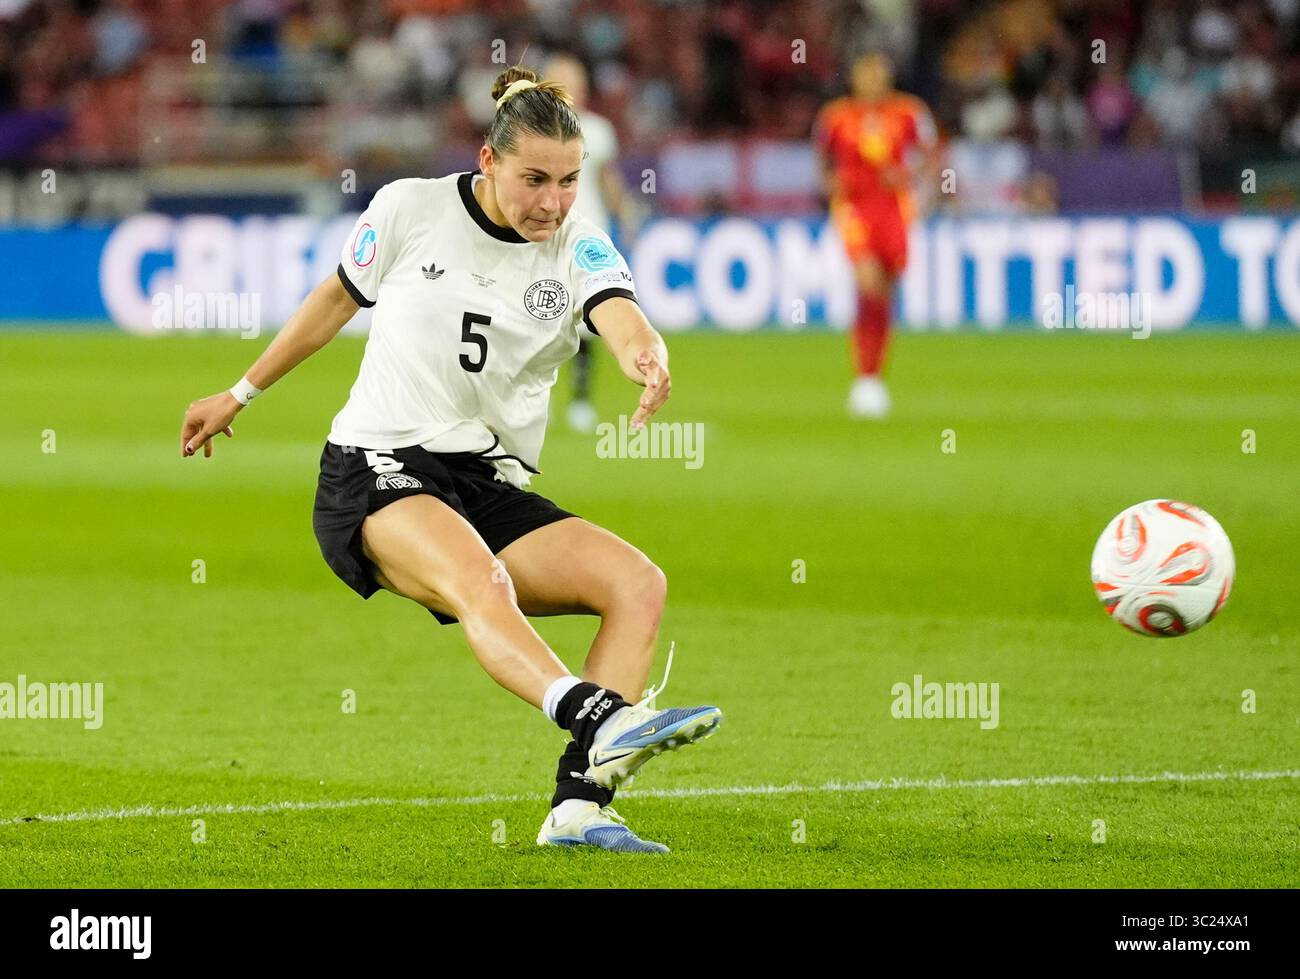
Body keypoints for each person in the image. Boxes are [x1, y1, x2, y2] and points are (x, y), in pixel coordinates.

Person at [179, 65, 723, 854]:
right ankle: (601, 717)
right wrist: (240, 391)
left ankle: (579, 808)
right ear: (488, 160)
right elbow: (335, 299)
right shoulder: (410, 208)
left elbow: (621, 313)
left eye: (569, 181)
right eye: (534, 179)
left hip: (485, 479)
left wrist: (647, 356)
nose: (553, 201)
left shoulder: (579, 244)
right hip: (375, 466)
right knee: (481, 582)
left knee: (637, 584)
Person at [813, 51, 939, 418]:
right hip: (855, 207)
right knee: (867, 282)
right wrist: (831, 186)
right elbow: (821, 159)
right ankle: (864, 378)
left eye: (877, 73)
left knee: (884, 291)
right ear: (854, 78)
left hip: (894, 208)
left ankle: (873, 376)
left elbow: (931, 156)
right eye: (864, 73)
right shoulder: (835, 116)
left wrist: (913, 182)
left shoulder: (910, 112)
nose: (871, 80)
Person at [541, 52, 646, 434]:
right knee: (540, 316)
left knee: (588, 320)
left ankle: (581, 401)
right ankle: (539, 398)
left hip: (587, 237)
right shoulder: (531, 130)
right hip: (542, 234)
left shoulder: (598, 130)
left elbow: (607, 179)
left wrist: (626, 213)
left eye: (575, 82)